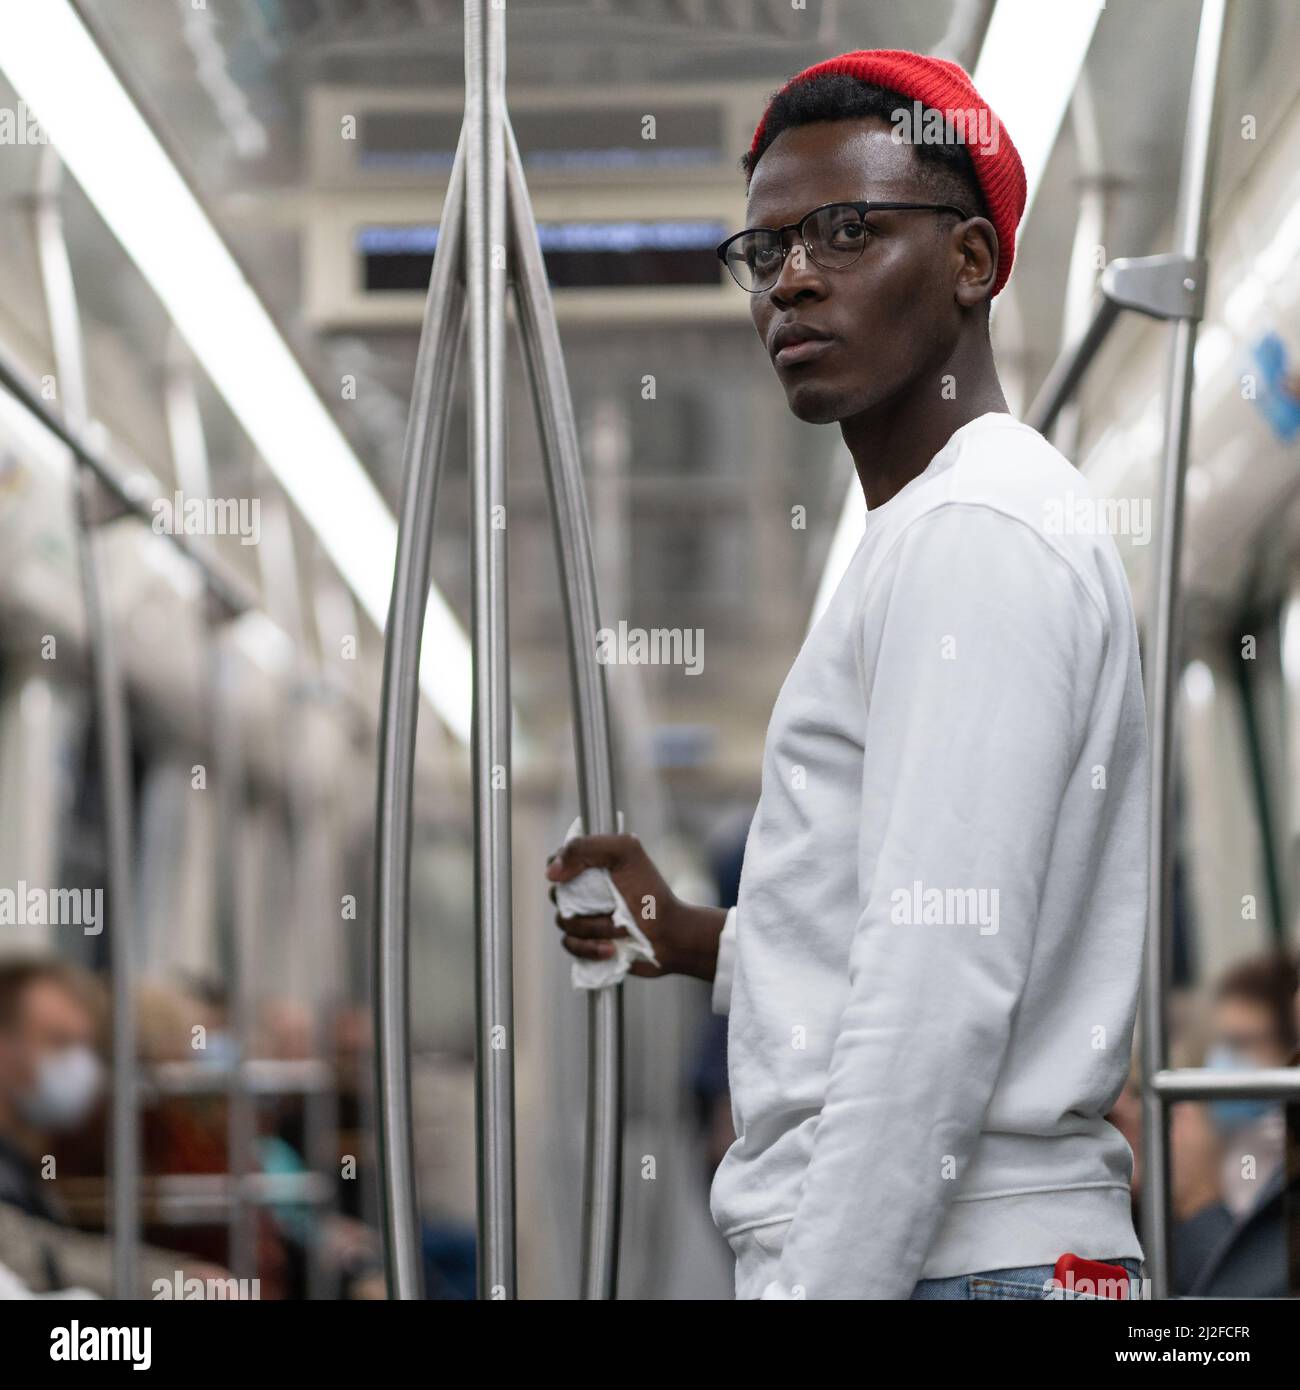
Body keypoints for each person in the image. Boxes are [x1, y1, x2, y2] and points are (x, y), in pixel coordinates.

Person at [546, 49, 1150, 1300]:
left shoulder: (972, 532)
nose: (794, 278)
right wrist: (698, 937)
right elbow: (907, 925)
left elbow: (937, 987)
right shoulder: (940, 529)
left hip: (954, 1264)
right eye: (763, 253)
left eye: (845, 231)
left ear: (973, 263)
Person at [0, 957, 228, 1297]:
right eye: (59, 1043)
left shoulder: (29, 1155)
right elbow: (31, 1254)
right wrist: (172, 1281)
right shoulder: (98, 1136)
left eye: (85, 1047)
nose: (80, 1067)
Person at [1170, 952, 1299, 1297]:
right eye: (1221, 1043)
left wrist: (1199, 1202)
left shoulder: (1282, 1160)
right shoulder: (1214, 1139)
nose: (1223, 1063)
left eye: (1244, 1043)